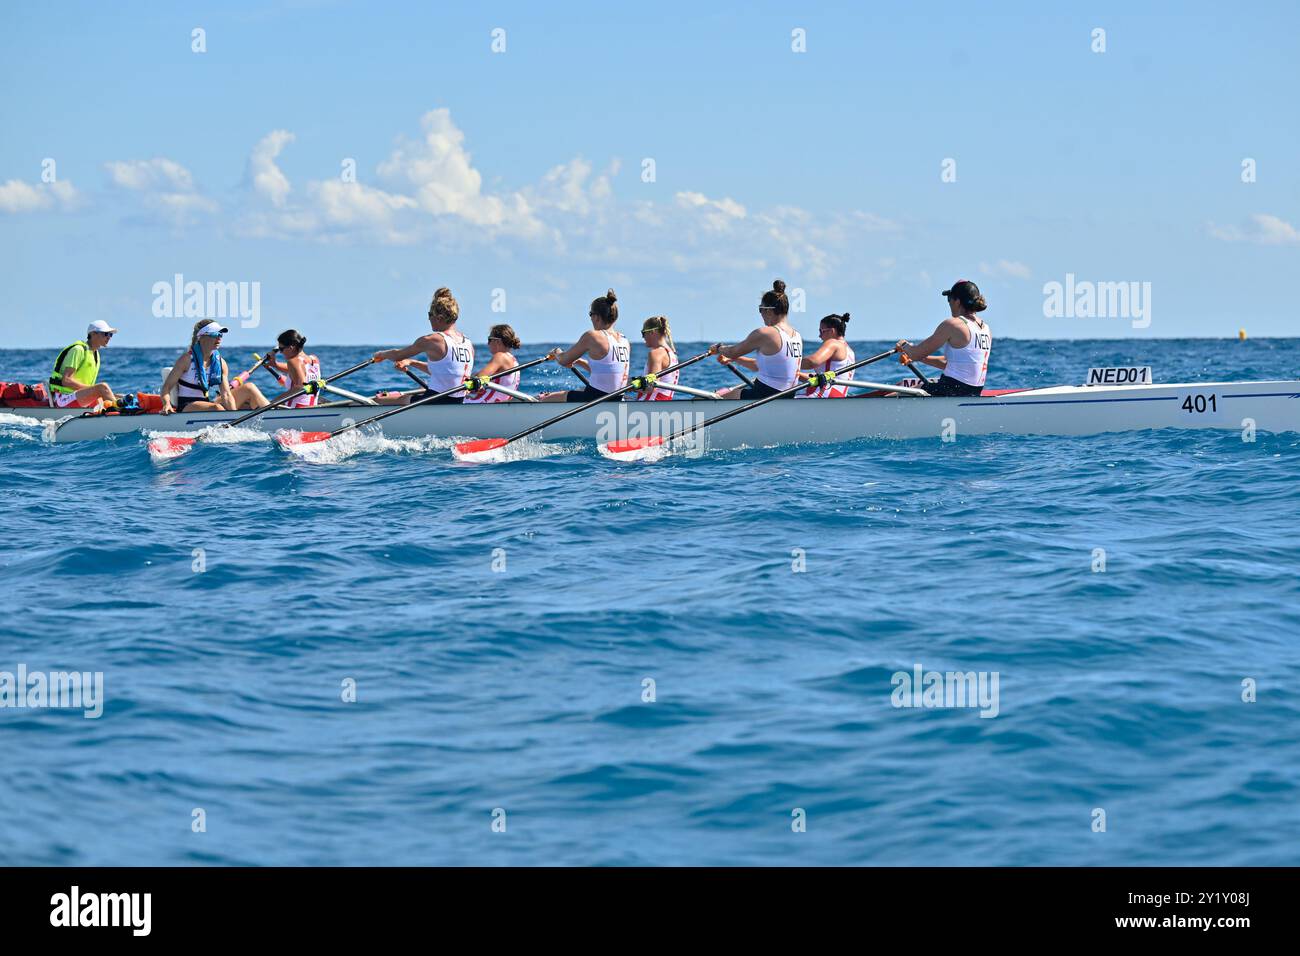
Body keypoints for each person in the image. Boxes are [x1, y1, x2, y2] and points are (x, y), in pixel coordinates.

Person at [372, 287, 474, 405]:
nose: (428, 318)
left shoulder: (432, 340)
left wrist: (381, 354)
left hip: (435, 401)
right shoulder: (468, 343)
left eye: (430, 314)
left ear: (439, 318)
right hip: (459, 401)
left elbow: (397, 355)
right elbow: (447, 373)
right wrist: (411, 362)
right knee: (412, 395)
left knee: (378, 400)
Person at [894, 280, 992, 397]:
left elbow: (915, 354)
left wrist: (904, 346)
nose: (949, 303)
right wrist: (922, 358)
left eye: (949, 299)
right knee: (904, 385)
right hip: (974, 392)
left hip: (950, 390)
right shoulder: (985, 329)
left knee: (896, 393)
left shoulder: (953, 325)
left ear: (957, 301)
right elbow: (950, 363)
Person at [712, 279, 803, 399]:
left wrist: (719, 348)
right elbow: (760, 366)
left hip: (765, 396)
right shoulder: (796, 335)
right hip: (789, 395)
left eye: (760, 309)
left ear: (769, 310)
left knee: (717, 397)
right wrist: (735, 359)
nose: (760, 314)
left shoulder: (766, 333)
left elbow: (733, 351)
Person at [160, 321, 269, 414]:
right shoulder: (186, 359)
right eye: (214, 334)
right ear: (201, 337)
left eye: (220, 334)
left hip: (207, 403)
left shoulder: (221, 363)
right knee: (218, 408)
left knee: (249, 388)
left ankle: (273, 416)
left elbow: (226, 394)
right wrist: (167, 404)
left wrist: (234, 414)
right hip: (187, 406)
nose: (219, 338)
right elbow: (166, 388)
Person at [540, 289, 629, 402]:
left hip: (595, 399)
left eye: (590, 314)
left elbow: (563, 360)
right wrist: (578, 361)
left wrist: (557, 352)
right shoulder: (624, 340)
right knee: (578, 390)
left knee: (545, 398)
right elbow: (607, 372)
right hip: (618, 398)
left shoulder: (593, 336)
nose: (590, 318)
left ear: (596, 317)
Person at [48, 320, 120, 410]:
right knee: (103, 387)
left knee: (120, 397)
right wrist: (95, 390)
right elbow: (66, 380)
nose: (109, 337)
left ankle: (127, 411)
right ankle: (121, 414)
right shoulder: (78, 350)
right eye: (105, 334)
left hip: (78, 397)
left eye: (110, 334)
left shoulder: (96, 354)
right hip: (63, 399)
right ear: (93, 334)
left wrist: (99, 392)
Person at [797, 313, 856, 398]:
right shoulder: (850, 351)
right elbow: (823, 378)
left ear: (832, 331)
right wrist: (796, 374)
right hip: (838, 396)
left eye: (821, 331)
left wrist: (787, 363)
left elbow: (812, 362)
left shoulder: (833, 343)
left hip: (824, 394)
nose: (819, 335)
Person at [463, 325, 524, 404]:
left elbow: (478, 378)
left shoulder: (500, 356)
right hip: (500, 403)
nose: (488, 344)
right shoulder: (514, 361)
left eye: (489, 340)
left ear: (497, 341)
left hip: (486, 403)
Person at [263, 330, 323, 407]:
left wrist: (272, 403)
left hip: (294, 409)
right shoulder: (314, 359)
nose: (281, 352)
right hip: (311, 407)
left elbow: (300, 387)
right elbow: (297, 371)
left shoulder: (293, 362)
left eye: (281, 349)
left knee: (249, 391)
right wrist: (275, 364)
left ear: (291, 348)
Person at [632, 315, 678, 401]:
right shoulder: (672, 354)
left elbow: (650, 388)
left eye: (643, 333)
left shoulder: (656, 354)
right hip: (663, 406)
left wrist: (626, 384)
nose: (643, 337)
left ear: (652, 332)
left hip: (648, 407)